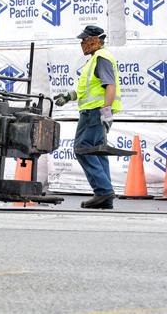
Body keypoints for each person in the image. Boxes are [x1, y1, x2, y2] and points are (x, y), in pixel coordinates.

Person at [53, 25, 122, 210]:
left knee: (82, 149)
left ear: (95, 39)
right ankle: (105, 196)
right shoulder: (94, 60)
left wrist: (106, 112)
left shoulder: (101, 58)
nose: (82, 43)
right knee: (97, 152)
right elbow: (87, 89)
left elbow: (110, 86)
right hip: (94, 112)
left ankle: (103, 191)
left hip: (94, 113)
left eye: (85, 39)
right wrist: (68, 96)